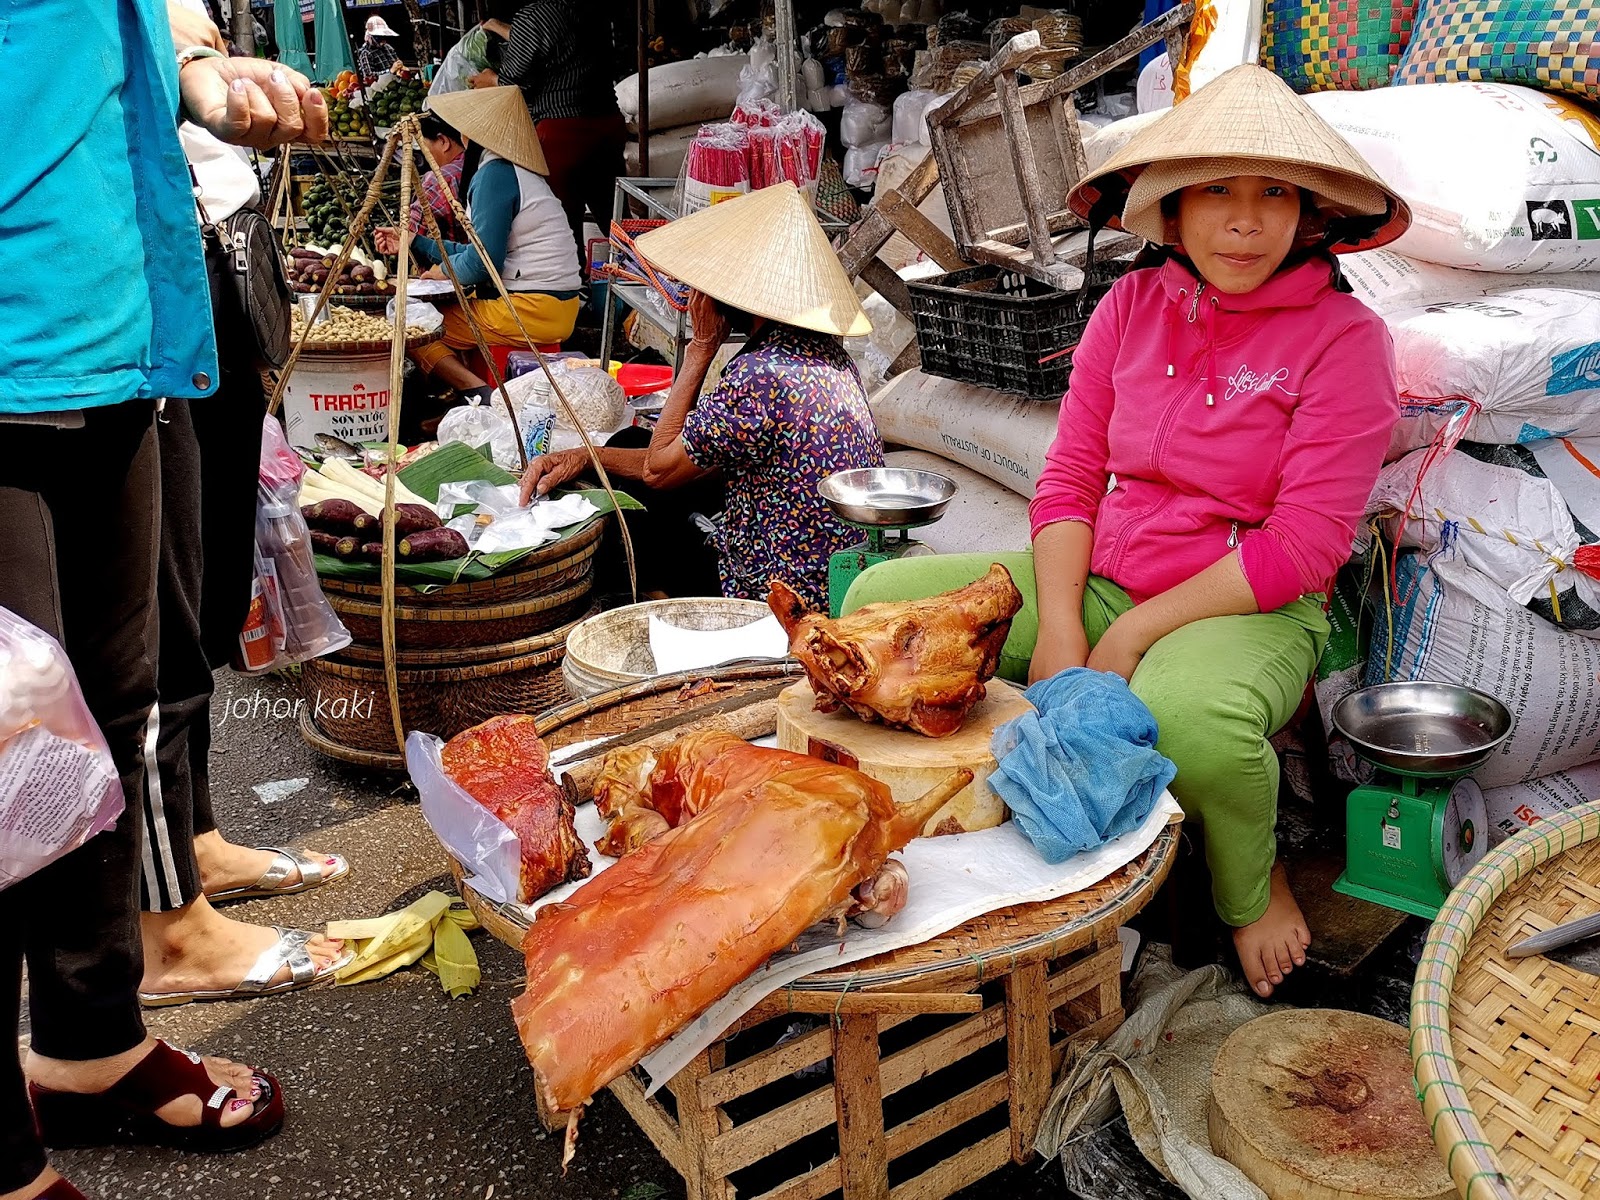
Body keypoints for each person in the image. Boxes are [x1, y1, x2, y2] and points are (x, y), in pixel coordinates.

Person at [843, 65, 1410, 998]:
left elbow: (1303, 545)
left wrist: (1131, 634)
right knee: (878, 607)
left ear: (1311, 214)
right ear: (1170, 209)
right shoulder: (1128, 309)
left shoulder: (1347, 341)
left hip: (1249, 605)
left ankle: (1248, 880)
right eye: (1217, 191)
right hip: (1101, 576)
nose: (1245, 219)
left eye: (1275, 193)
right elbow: (1068, 479)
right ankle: (916, 825)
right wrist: (1065, 622)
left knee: (1193, 720)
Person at [0, 5, 327, 1198]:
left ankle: (90, 1043)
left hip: (112, 333)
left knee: (102, 714)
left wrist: (191, 71)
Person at [135, 0, 352, 1009]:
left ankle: (197, 844)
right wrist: (194, 67)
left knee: (209, 576)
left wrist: (212, 65)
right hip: (126, 274)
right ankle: (164, 926)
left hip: (216, 244)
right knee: (145, 609)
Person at [517, 182, 883, 611]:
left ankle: (666, 605)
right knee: (627, 444)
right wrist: (584, 455)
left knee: (636, 504)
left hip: (780, 592)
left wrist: (702, 348)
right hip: (822, 567)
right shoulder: (828, 355)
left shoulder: (759, 375)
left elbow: (657, 471)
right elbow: (688, 456)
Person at [373, 86, 582, 396]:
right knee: (432, 313)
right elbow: (478, 249)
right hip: (549, 305)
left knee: (408, 324)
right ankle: (465, 398)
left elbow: (482, 261)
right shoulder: (503, 171)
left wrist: (441, 271)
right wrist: (414, 241)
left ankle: (479, 394)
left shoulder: (494, 175)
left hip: (534, 309)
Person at [477, 1, 627, 266]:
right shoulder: (589, 10)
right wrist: (498, 27)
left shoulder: (532, 14)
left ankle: (575, 292)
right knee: (615, 219)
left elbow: (513, 80)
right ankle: (651, 282)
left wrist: (489, 79)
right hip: (607, 124)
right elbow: (548, 39)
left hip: (563, 133)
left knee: (563, 223)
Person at [408, 110, 467, 245]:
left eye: (425, 146)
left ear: (443, 141)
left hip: (453, 263)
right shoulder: (482, 164)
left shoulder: (438, 181)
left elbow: (411, 235)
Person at [357, 13, 401, 80]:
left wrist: (399, 66)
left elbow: (396, 62)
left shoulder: (388, 47)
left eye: (384, 36)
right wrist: (390, 71)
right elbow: (368, 76)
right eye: (379, 37)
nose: (382, 41)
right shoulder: (366, 53)